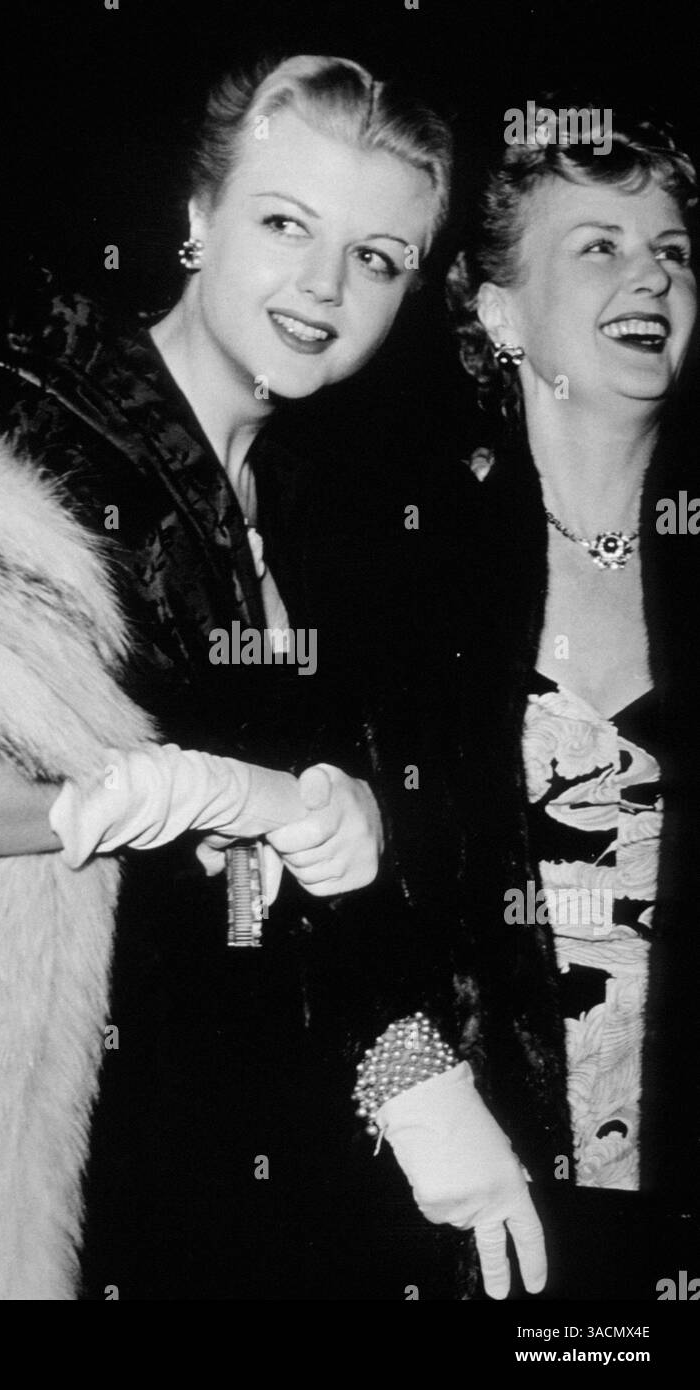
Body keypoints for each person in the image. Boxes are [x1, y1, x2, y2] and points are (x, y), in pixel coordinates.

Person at [0, 54, 454, 1299]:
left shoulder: (305, 518)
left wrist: (413, 1066)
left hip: (199, 1169)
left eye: (377, 258)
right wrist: (215, 792)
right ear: (196, 220)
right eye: (285, 224)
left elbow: (280, 919)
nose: (325, 286)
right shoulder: (19, 426)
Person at [364, 100, 700, 1299]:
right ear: (499, 313)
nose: (648, 275)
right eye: (597, 245)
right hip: (463, 1229)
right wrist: (412, 1087)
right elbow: (330, 924)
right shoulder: (398, 575)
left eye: (669, 248)